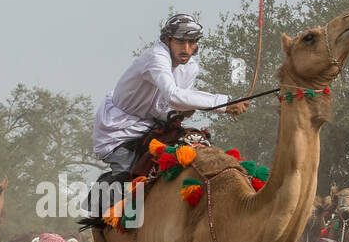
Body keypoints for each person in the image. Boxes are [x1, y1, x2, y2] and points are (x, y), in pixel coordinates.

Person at [89, 14, 248, 213]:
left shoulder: (190, 68)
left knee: (189, 153)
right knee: (128, 180)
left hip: (154, 125)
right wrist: (225, 104)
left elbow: (172, 106)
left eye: (192, 42)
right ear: (167, 40)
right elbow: (174, 96)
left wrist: (183, 111)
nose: (187, 48)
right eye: (181, 41)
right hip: (119, 128)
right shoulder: (156, 57)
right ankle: (109, 222)